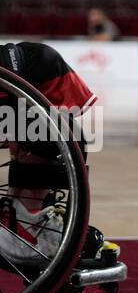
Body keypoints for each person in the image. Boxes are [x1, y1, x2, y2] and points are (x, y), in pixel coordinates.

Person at [0, 41, 117, 268]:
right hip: (31, 67)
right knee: (65, 137)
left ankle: (22, 217)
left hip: (28, 67)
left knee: (58, 137)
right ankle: (24, 221)